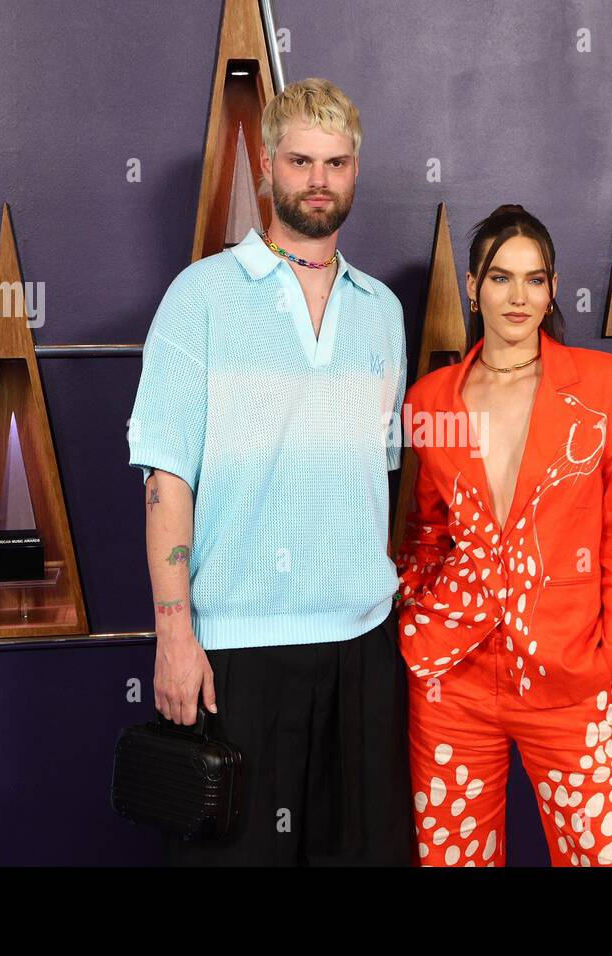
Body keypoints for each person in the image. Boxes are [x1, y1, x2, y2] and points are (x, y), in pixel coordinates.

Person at [126, 78, 412, 865]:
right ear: (266, 165)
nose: (319, 179)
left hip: (364, 646)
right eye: (301, 160)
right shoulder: (202, 299)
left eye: (337, 162)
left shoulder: (382, 310)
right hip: (238, 653)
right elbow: (166, 483)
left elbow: (377, 478)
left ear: (356, 171)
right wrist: (174, 637)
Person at [394, 204, 612, 866]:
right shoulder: (431, 402)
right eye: (501, 278)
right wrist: (417, 614)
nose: (518, 296)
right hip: (453, 680)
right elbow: (428, 531)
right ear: (474, 287)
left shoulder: (608, 388)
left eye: (535, 280)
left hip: (567, 675)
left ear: (554, 288)